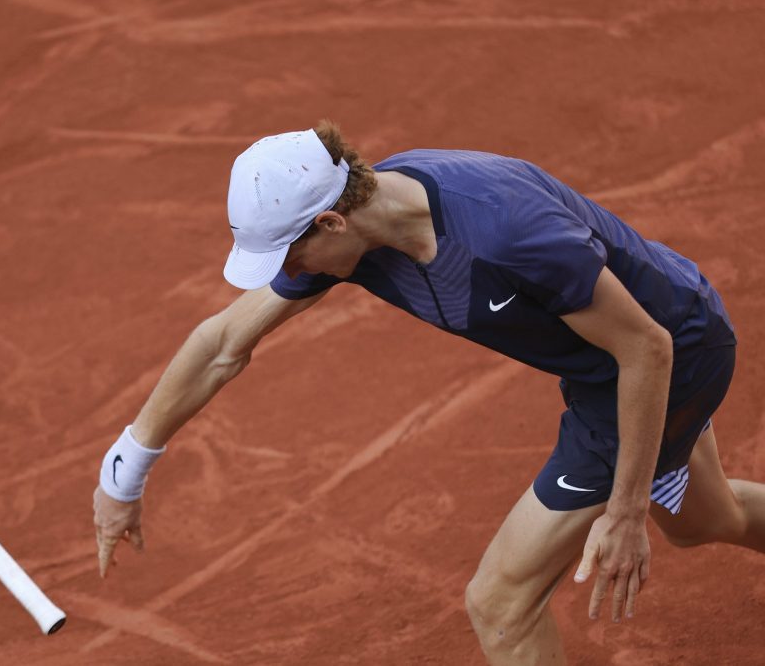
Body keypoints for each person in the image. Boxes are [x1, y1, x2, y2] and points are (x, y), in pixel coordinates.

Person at [92, 122, 765, 664]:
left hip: (656, 362)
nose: (288, 275)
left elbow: (646, 348)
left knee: (500, 602)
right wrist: (125, 468)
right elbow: (221, 343)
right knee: (710, 520)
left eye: (289, 258)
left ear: (329, 223)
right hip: (630, 355)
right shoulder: (369, 223)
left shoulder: (504, 233)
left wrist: (623, 513)